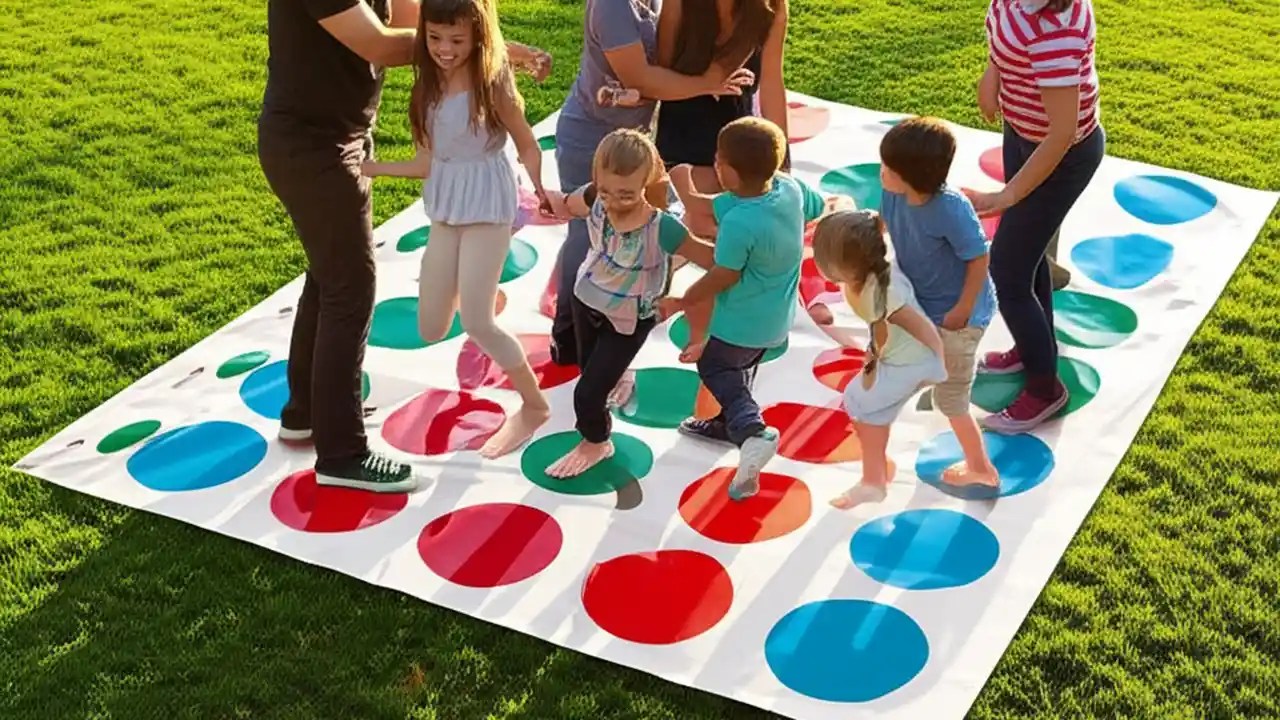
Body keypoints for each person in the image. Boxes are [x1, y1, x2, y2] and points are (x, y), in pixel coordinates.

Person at [257, 0, 549, 491]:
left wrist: (477, 45)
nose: (444, 48)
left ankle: (306, 413)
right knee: (349, 288)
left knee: (330, 275)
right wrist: (482, 48)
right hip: (311, 146)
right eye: (443, 43)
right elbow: (381, 43)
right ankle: (342, 454)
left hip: (342, 138)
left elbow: (416, 19)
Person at [362, 0, 553, 459]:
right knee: (430, 327)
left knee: (477, 323)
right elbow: (426, 162)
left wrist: (544, 191)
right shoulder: (427, 82)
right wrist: (371, 166)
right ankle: (479, 285)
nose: (444, 49)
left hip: (488, 206)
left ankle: (535, 406)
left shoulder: (492, 81)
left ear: (477, 38)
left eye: (457, 41)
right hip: (446, 209)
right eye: (434, 38)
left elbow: (526, 141)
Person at [549, 0, 755, 405]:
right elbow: (639, 76)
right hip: (591, 140)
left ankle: (603, 336)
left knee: (634, 233)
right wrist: (709, 83)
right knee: (587, 238)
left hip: (634, 141)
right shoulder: (611, 6)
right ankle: (573, 339)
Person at [656, 118, 826, 501]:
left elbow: (723, 275)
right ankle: (721, 424)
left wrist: (683, 300)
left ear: (728, 171)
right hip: (777, 319)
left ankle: (752, 430)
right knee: (740, 367)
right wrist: (683, 186)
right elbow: (709, 208)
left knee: (716, 366)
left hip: (741, 323)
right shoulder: (789, 188)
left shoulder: (739, 224)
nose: (715, 163)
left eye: (718, 159)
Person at [964, 0, 1105, 434]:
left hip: (1061, 158)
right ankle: (1034, 348)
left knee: (1006, 269)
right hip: (1025, 134)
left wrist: (1007, 196)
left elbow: (1062, 135)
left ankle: (1046, 390)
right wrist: (993, 75)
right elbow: (1003, 30)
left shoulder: (1056, 33)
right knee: (1025, 258)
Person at [542, 130, 716, 478]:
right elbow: (567, 205)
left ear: (646, 182)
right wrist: (538, 199)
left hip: (629, 318)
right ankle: (618, 375)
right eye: (606, 190)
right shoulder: (594, 198)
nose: (613, 201)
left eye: (626, 194)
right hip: (585, 299)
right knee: (590, 372)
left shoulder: (662, 228)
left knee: (587, 395)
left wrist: (751, 256)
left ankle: (597, 442)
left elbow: (710, 259)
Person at [878, 117, 1000, 488]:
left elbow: (978, 258)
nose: (880, 171)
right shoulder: (893, 191)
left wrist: (962, 310)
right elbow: (887, 219)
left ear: (914, 175)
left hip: (959, 319)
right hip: (921, 305)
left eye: (888, 167)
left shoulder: (950, 208)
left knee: (951, 398)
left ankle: (981, 468)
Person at [810, 210, 948, 509]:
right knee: (862, 405)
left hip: (912, 361)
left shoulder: (880, 292)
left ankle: (873, 481)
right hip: (899, 356)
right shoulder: (863, 278)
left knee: (863, 404)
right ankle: (874, 477)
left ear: (843, 265)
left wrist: (938, 360)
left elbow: (915, 325)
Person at [653, 0, 791, 238]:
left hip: (735, 140)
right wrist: (706, 84)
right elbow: (658, 79)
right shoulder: (679, 5)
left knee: (765, 198)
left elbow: (771, 85)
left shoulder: (771, 8)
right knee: (692, 201)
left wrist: (782, 164)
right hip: (679, 138)